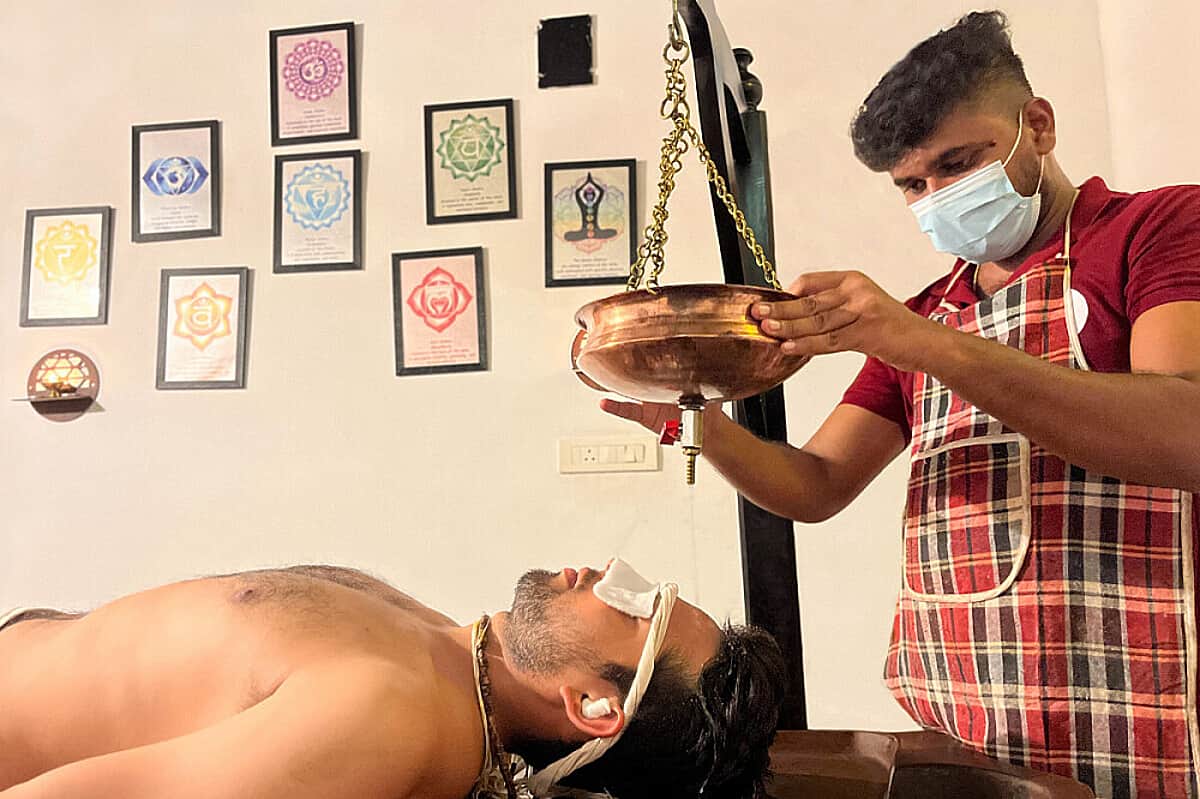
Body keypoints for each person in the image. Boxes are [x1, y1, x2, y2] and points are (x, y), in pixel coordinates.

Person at [603, 10, 1200, 799]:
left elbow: (1183, 432)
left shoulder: (1155, 229)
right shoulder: (930, 312)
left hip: (1148, 701)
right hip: (968, 718)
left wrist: (918, 341)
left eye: (959, 163)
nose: (936, 199)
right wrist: (693, 420)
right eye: (912, 185)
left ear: (1039, 127)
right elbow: (815, 483)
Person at [0, 561, 786, 799]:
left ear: (591, 705)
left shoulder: (387, 718)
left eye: (632, 608)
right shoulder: (446, 649)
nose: (606, 573)